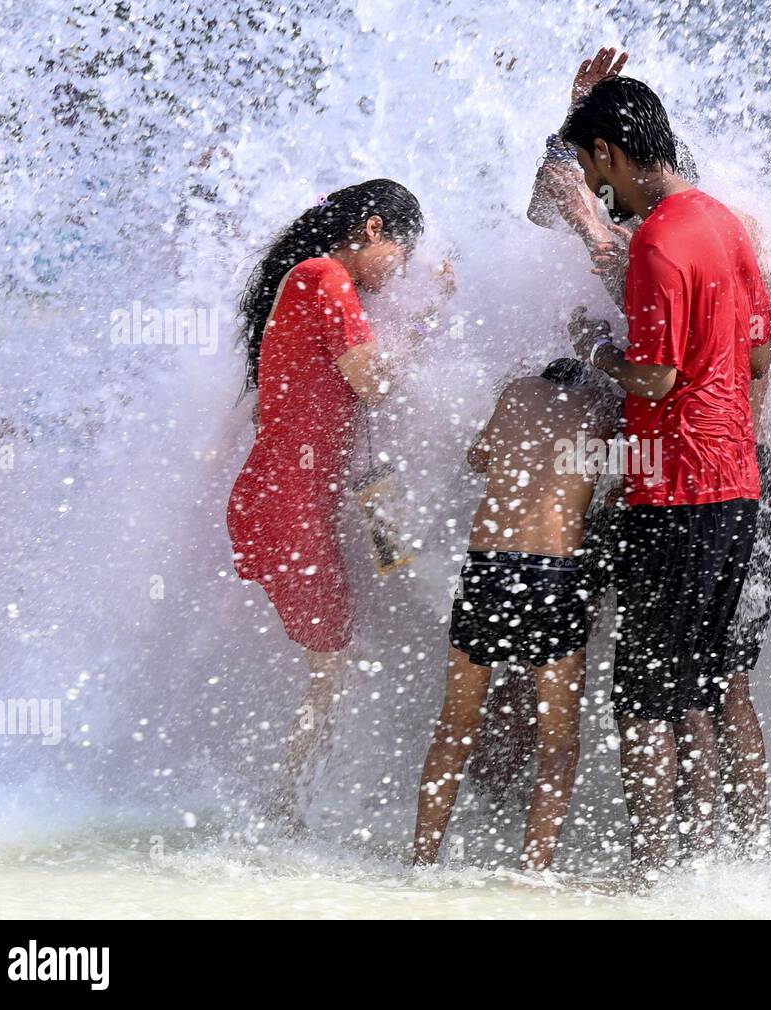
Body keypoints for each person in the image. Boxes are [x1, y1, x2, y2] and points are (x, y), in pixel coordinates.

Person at [531, 51, 771, 856]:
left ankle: (650, 875)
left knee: (643, 700)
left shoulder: (651, 248)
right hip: (739, 487)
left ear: (610, 159)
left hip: (673, 494)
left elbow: (653, 374)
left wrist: (599, 352)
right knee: (702, 694)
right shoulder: (724, 223)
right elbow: (758, 359)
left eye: (592, 164)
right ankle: (708, 867)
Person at [227, 179, 425, 829]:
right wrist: (429, 320)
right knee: (330, 672)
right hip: (290, 503)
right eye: (405, 251)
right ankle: (287, 812)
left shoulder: (309, 281)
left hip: (294, 498)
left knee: (334, 664)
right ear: (373, 230)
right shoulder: (324, 278)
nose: (404, 272)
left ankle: (295, 803)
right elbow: (374, 384)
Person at [413, 356, 618, 872]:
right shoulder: (603, 406)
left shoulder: (517, 393)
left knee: (455, 727)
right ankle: (533, 871)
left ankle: (421, 861)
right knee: (559, 745)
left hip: (487, 568)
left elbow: (478, 456)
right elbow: (610, 476)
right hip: (554, 574)